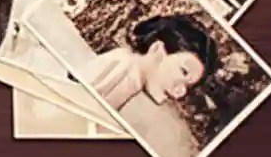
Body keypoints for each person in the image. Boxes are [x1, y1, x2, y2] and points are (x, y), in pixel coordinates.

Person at [78, 14, 221, 111]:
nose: (181, 92)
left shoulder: (132, 80)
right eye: (183, 71)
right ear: (157, 49)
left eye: (188, 87)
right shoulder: (123, 64)